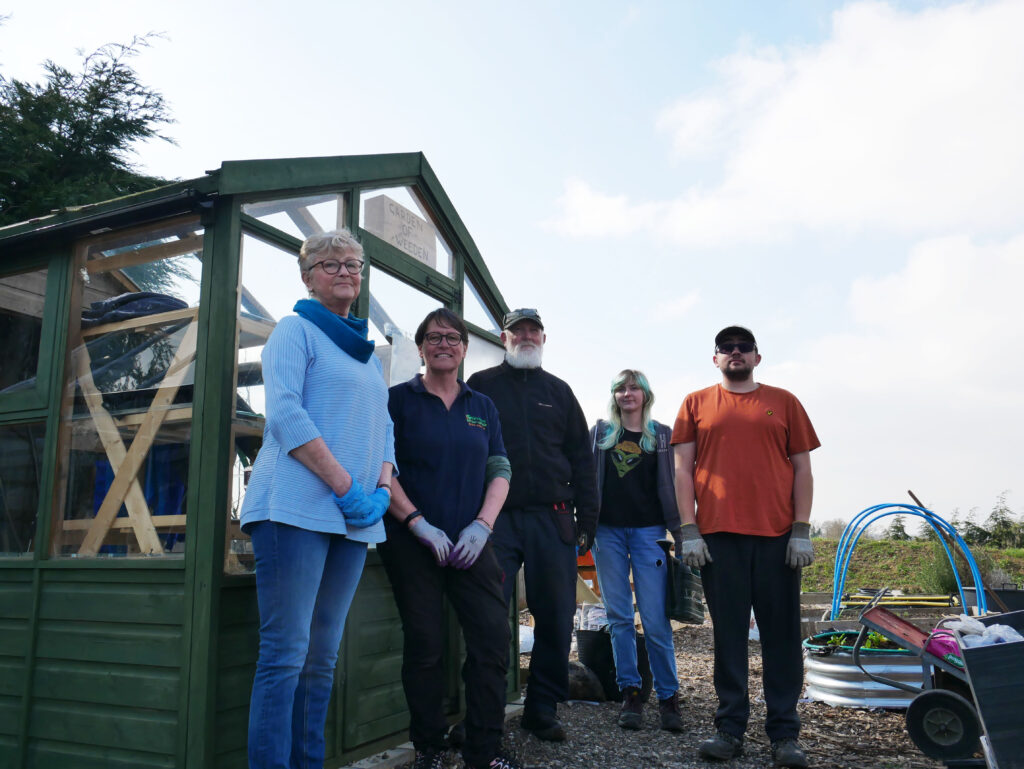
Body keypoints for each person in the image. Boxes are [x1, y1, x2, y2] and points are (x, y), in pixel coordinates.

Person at [240, 229, 396, 769]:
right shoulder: (294, 331)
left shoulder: (367, 355)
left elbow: (386, 428)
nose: (346, 272)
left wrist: (379, 489)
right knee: (286, 654)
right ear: (307, 276)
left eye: (354, 265)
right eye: (331, 264)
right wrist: (346, 486)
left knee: (323, 657)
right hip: (293, 512)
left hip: (353, 521)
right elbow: (283, 414)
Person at [379, 308, 532, 769]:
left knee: (490, 643)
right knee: (425, 647)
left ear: (464, 348)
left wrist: (482, 525)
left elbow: (500, 470)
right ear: (421, 346)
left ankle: (483, 751)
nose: (443, 344)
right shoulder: (397, 401)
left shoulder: (481, 407)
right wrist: (416, 523)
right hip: (412, 544)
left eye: (452, 338)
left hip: (471, 545)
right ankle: (428, 747)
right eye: (434, 337)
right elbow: (380, 467)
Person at [672, 326, 819, 769]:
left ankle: (785, 734)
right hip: (718, 538)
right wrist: (689, 529)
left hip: (777, 539)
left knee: (782, 639)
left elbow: (803, 470)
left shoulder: (786, 401)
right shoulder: (696, 403)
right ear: (715, 359)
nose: (735, 353)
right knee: (729, 637)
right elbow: (681, 472)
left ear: (758, 357)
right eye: (726, 349)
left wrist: (802, 529)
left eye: (743, 348)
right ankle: (729, 729)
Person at [466, 308, 598, 742]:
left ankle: (541, 709)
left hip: (553, 518)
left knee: (557, 617)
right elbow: (465, 449)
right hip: (494, 518)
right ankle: (480, 715)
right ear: (503, 338)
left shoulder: (559, 392)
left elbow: (582, 457)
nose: (525, 337)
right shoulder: (481, 387)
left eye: (533, 331)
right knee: (488, 616)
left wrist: (588, 519)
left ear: (543, 338)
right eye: (517, 331)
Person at [589, 369, 684, 733]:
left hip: (649, 534)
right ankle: (630, 693)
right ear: (614, 396)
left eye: (634, 388)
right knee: (619, 617)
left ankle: (668, 697)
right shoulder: (600, 435)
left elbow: (675, 483)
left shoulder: (661, 437)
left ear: (646, 395)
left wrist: (681, 532)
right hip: (607, 534)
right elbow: (584, 477)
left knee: (656, 619)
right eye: (620, 389)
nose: (627, 394)